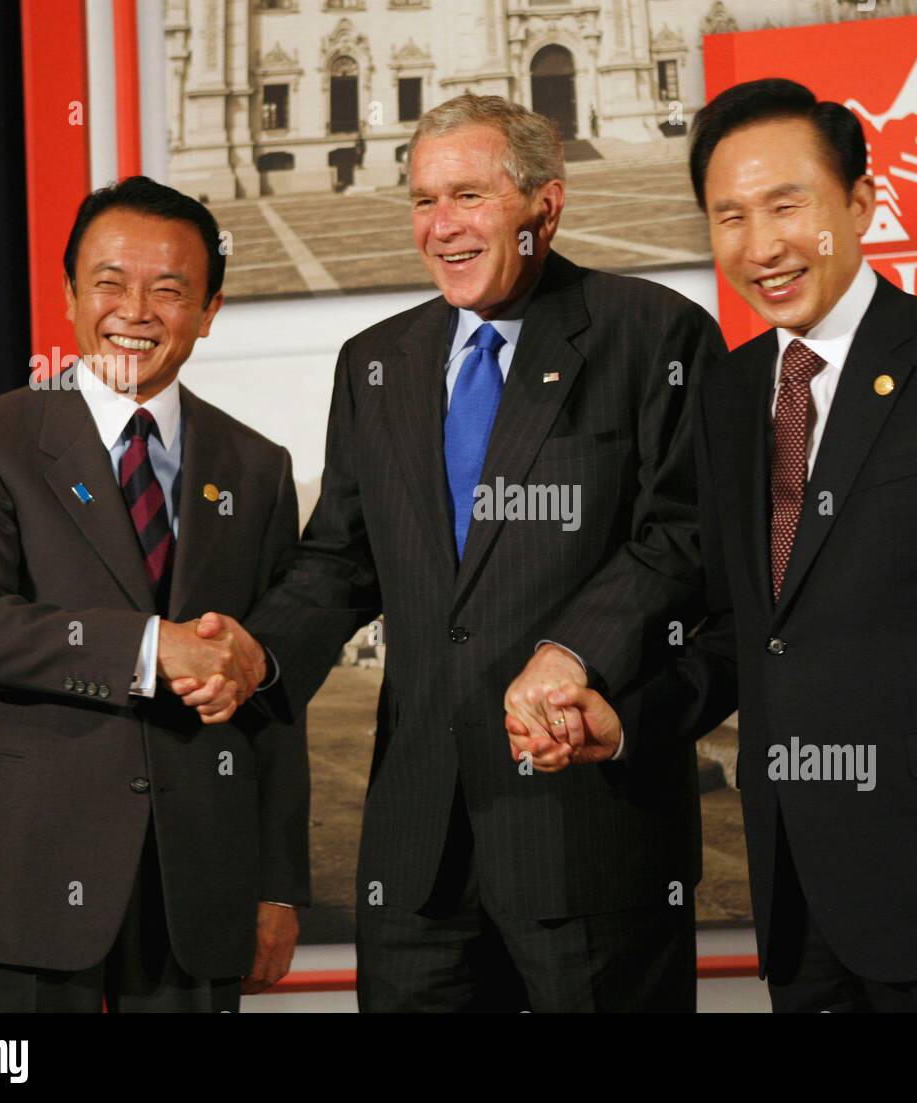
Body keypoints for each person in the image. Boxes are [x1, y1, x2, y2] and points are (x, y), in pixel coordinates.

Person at [516, 78, 917, 1013]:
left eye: (787, 205)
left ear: (862, 204)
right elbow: (737, 631)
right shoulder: (727, 391)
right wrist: (625, 717)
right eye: (729, 217)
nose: (762, 245)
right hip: (799, 910)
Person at [181, 93, 727, 1011]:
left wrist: (572, 650)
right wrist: (258, 650)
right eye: (424, 200)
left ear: (544, 207)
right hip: (415, 857)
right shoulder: (375, 362)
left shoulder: (654, 335)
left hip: (585, 837)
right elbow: (340, 561)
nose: (442, 227)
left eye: (468, 196)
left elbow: (683, 535)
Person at [0, 176, 308, 1012]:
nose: (135, 310)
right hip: (28, 877)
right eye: (109, 282)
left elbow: (274, 690)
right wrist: (146, 647)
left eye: (170, 289)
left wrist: (278, 886)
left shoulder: (258, 468)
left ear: (209, 310)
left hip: (199, 889)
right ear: (67, 296)